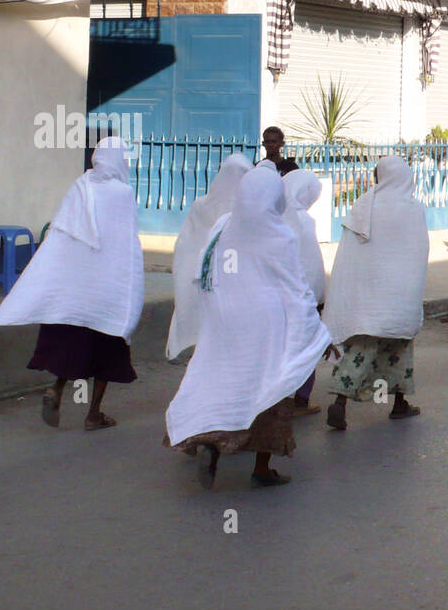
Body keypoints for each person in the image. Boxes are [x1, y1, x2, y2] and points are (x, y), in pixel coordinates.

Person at [164, 165, 330, 486]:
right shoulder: (278, 233)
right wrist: (315, 331)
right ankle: (261, 468)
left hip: (225, 322)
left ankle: (212, 444)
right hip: (266, 326)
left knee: (224, 383)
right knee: (269, 392)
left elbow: (203, 270)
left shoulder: (224, 224)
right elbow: (297, 289)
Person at [0, 136, 143, 430]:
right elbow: (128, 245)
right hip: (105, 291)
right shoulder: (122, 194)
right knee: (107, 351)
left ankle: (55, 389)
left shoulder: (80, 186)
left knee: (71, 345)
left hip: (73, 291)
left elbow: (61, 236)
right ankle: (93, 414)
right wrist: (130, 285)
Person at [320, 156, 429, 430]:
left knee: (361, 350)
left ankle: (341, 402)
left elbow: (349, 256)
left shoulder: (363, 206)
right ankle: (397, 404)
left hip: (369, 300)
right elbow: (419, 253)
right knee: (398, 351)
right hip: (399, 300)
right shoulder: (413, 209)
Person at [166, 152, 252, 361]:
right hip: (236, 285)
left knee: (207, 341)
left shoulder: (201, 205)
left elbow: (186, 246)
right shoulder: (249, 209)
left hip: (204, 282)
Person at [283, 170, 329, 414]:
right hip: (301, 297)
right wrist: (319, 298)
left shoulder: (273, 216)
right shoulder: (303, 221)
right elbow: (312, 266)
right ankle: (301, 400)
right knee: (305, 347)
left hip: (277, 297)